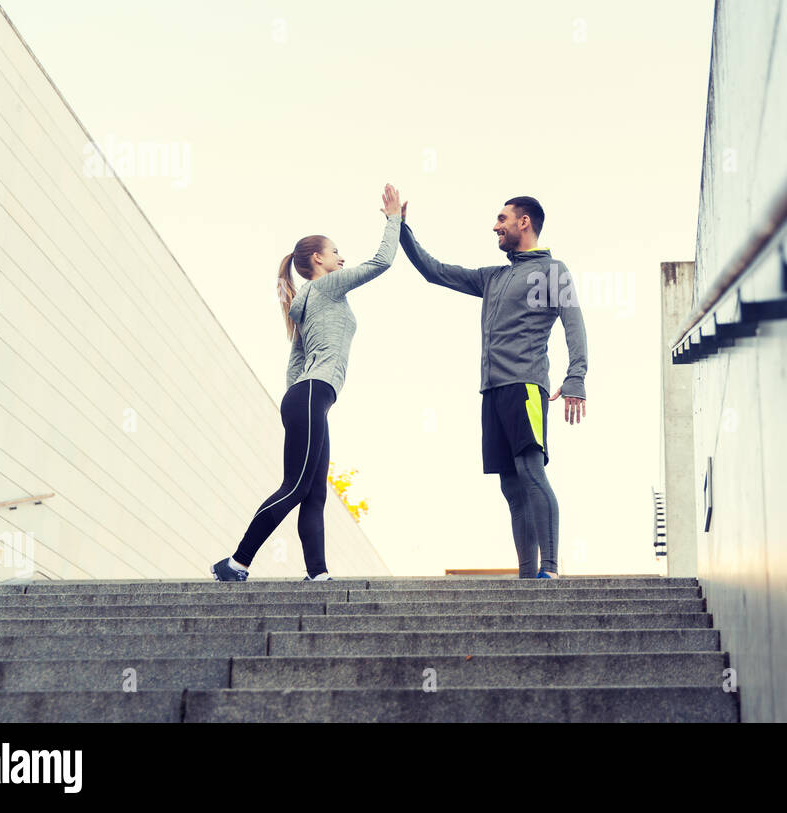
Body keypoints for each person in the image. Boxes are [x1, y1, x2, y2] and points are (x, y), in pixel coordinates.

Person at [211, 184, 403, 582]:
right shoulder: (327, 286)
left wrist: (295, 405)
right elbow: (382, 262)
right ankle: (235, 563)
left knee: (315, 494)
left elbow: (294, 363)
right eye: (335, 252)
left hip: (308, 397)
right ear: (317, 259)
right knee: (296, 486)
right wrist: (393, 219)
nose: (341, 257)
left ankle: (317, 574)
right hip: (311, 396)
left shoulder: (306, 301)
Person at [399, 196, 587, 579]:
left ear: (525, 222)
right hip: (493, 389)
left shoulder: (552, 271)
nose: (495, 226)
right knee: (511, 487)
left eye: (502, 218)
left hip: (526, 385)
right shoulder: (494, 277)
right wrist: (399, 228)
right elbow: (435, 271)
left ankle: (549, 571)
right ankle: (526, 576)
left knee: (531, 472)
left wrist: (576, 379)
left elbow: (574, 323)